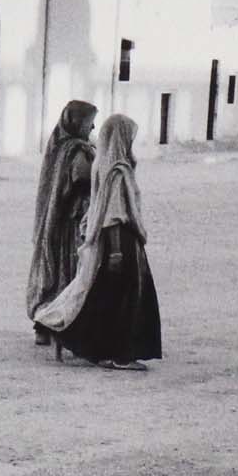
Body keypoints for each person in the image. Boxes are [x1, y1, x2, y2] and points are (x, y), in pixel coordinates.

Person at [33, 113, 161, 369]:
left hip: (114, 241)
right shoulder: (117, 172)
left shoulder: (107, 166)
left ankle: (85, 341)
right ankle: (120, 354)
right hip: (120, 241)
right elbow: (114, 215)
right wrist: (115, 252)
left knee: (99, 296)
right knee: (124, 299)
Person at [26, 100, 98, 344]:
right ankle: (58, 325)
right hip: (70, 223)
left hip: (54, 221)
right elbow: (82, 178)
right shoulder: (77, 150)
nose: (93, 127)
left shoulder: (57, 145)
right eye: (90, 122)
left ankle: (44, 325)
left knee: (51, 270)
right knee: (67, 273)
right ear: (78, 122)